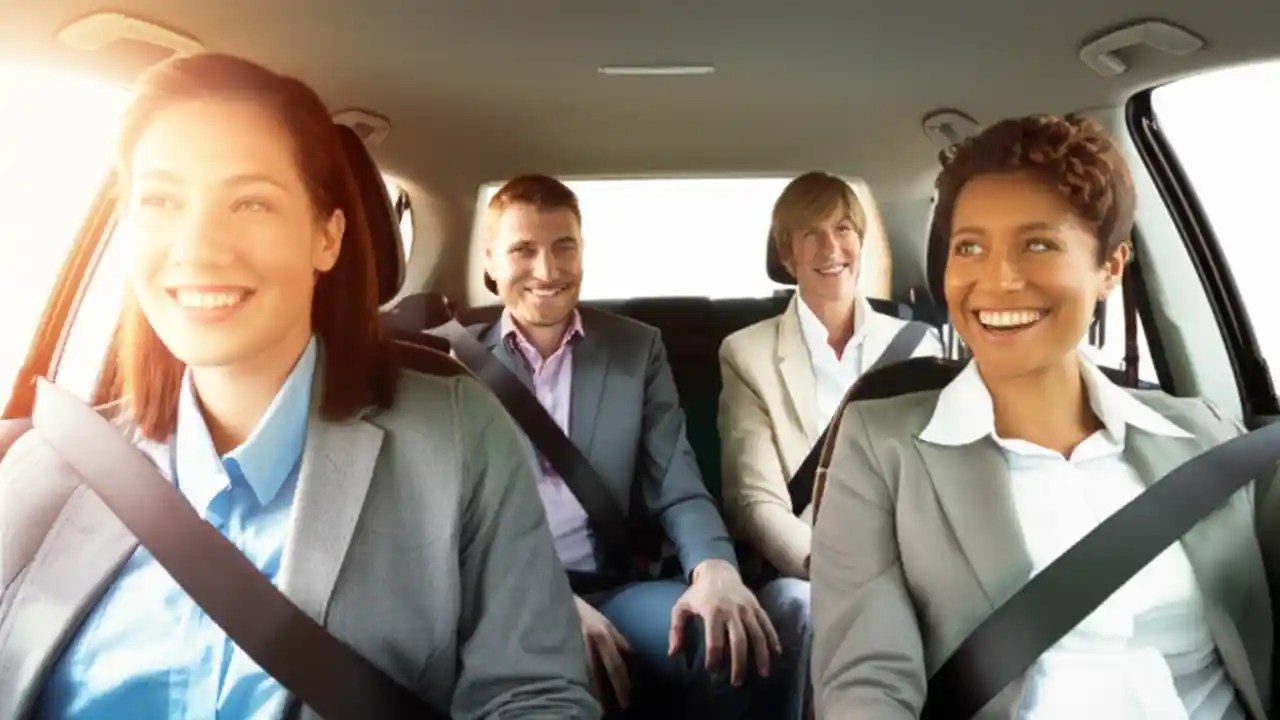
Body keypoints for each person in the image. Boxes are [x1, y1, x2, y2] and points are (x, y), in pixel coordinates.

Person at [0, 53, 597, 719]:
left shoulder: (458, 440)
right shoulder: (43, 465)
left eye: (250, 201)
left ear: (327, 236)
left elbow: (535, 696)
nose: (198, 246)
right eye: (162, 200)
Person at [810, 115, 1272, 719]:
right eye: (969, 246)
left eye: (1038, 243)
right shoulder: (882, 447)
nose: (997, 280)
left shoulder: (1205, 435)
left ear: (1111, 267)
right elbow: (866, 681)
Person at [476, 174, 784, 718]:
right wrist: (545, 602)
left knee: (730, 644)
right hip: (505, 595)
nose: (547, 271)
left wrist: (716, 568)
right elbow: (451, 528)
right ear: (491, 260)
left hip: (616, 586)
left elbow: (677, 483)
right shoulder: (453, 366)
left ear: (583, 254)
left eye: (563, 248)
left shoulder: (636, 348)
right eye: (523, 250)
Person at [716, 172, 943, 704]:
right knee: (803, 608)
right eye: (811, 234)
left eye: (844, 228)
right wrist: (841, 573)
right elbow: (754, 501)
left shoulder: (917, 345)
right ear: (787, 255)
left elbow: (937, 476)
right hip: (808, 565)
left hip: (909, 559)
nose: (832, 247)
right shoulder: (746, 353)